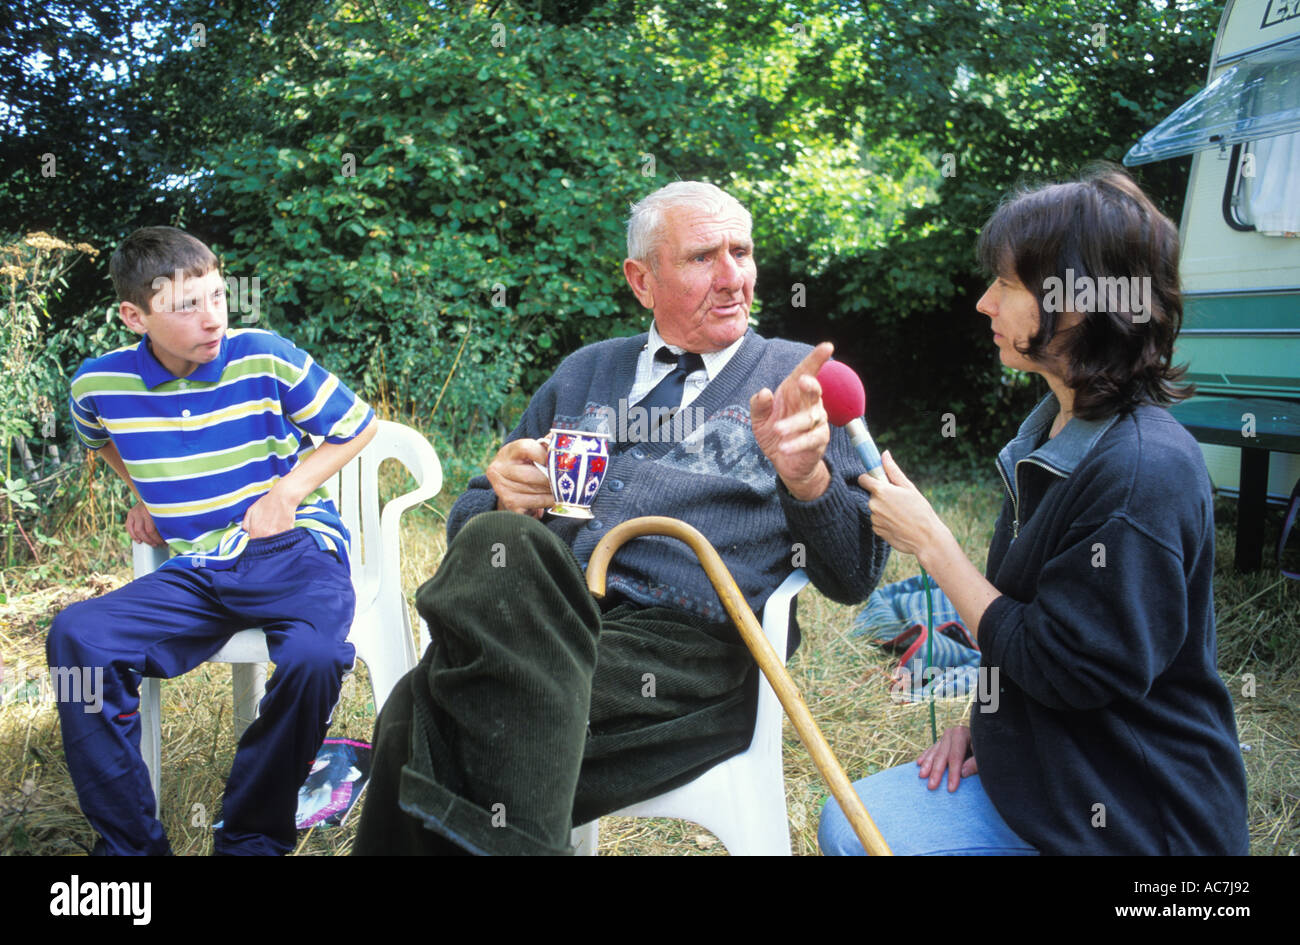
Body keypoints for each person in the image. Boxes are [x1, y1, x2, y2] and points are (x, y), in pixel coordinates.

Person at [354, 181, 890, 855]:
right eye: (703, 257)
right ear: (642, 280)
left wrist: (805, 476)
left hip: (687, 655)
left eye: (742, 252)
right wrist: (502, 494)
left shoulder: (798, 381)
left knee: (420, 710)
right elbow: (469, 531)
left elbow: (852, 573)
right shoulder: (585, 372)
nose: (732, 278)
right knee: (500, 538)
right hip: (548, 619)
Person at [819, 165, 1250, 855]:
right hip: (1060, 775)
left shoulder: (1142, 472)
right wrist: (996, 733)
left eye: (1008, 284)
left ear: (1079, 304)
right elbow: (1031, 624)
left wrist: (936, 546)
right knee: (849, 824)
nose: (985, 302)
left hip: (1139, 823)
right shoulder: (1056, 430)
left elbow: (1066, 667)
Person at [49, 226, 377, 855]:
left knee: (313, 661)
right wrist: (144, 493)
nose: (212, 320)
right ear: (134, 316)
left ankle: (251, 835)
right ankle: (130, 853)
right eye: (186, 307)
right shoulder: (98, 386)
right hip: (197, 570)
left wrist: (285, 493)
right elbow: (99, 438)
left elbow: (357, 425)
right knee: (77, 636)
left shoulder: (263, 354)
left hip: (294, 553)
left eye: (219, 298)